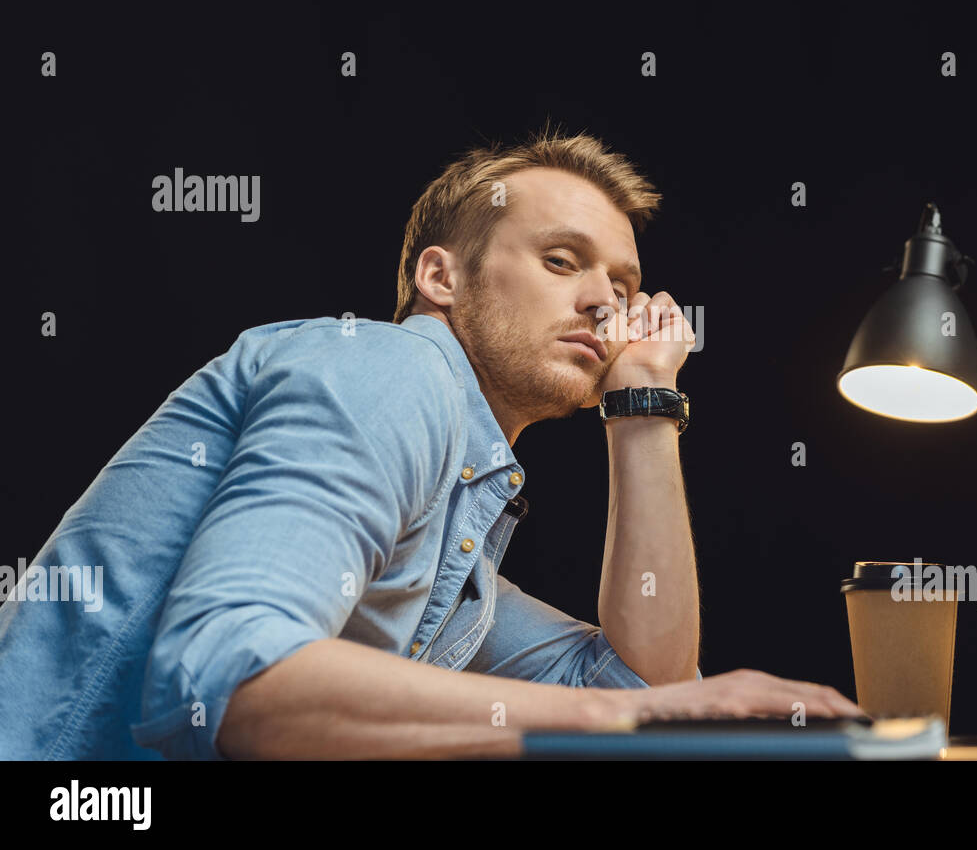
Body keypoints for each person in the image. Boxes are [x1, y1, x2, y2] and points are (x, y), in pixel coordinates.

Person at [0, 127, 862, 760]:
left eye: (625, 286)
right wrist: (638, 719)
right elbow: (224, 678)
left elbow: (643, 689)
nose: (607, 302)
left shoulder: (461, 519)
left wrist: (643, 402)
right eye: (564, 261)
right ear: (440, 276)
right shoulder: (393, 367)